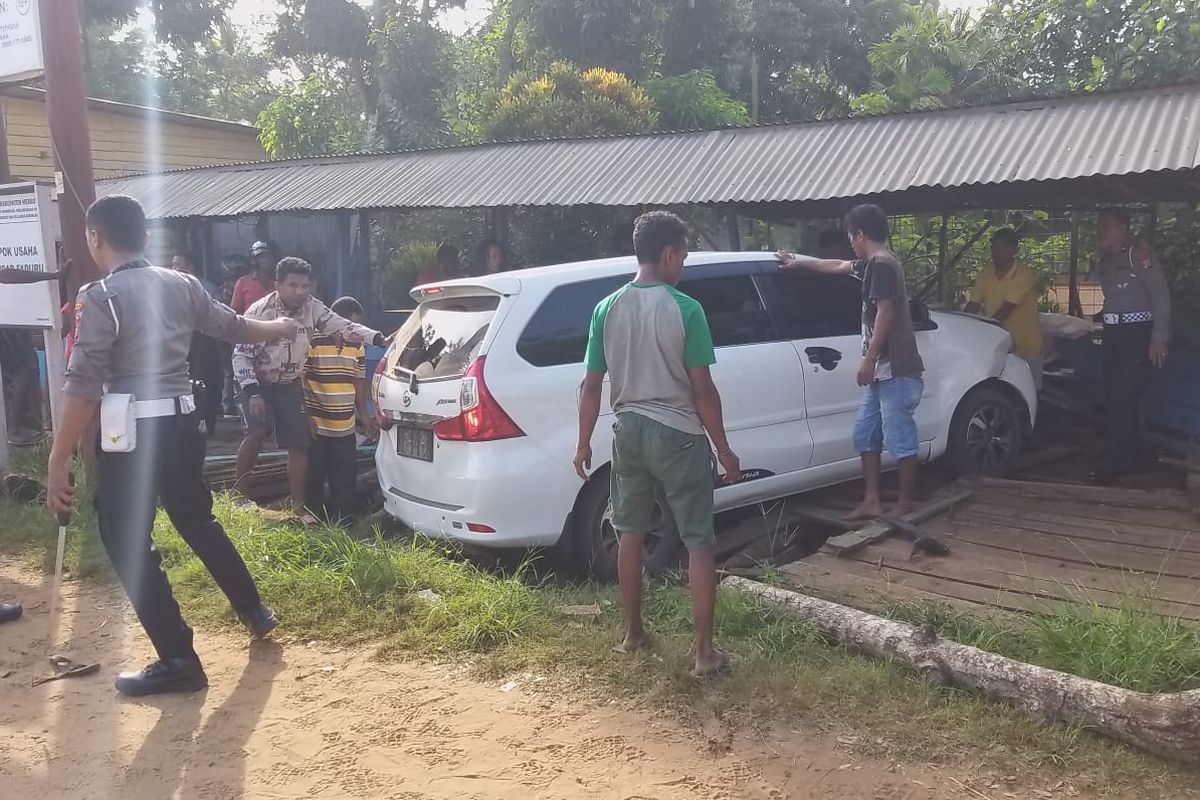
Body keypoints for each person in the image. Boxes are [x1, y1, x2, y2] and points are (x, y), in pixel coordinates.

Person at [46, 195, 301, 696]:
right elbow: (234, 326)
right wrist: (281, 327)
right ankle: (254, 608)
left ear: (96, 238)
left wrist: (59, 460)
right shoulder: (182, 284)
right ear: (144, 237)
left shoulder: (99, 297)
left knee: (126, 541)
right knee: (195, 517)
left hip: (133, 436)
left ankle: (179, 658)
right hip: (185, 426)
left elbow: (82, 384)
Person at [574, 210, 740, 678]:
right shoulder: (686, 309)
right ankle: (704, 654)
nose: (683, 265)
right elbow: (702, 388)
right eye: (683, 256)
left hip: (627, 431)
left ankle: (633, 634)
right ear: (668, 254)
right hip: (678, 435)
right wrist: (723, 449)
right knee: (699, 541)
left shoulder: (606, 308)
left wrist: (583, 442)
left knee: (629, 532)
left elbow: (590, 385)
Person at [777, 203, 925, 519]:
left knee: (900, 436)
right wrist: (800, 262)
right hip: (882, 371)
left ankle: (904, 503)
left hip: (895, 368)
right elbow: (838, 266)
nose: (851, 243)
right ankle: (872, 500)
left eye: (851, 237)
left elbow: (885, 312)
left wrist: (869, 359)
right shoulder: (872, 263)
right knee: (866, 433)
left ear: (859, 234)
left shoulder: (883, 265)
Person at [233, 257, 384, 523]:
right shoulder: (259, 312)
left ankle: (300, 508)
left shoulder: (313, 308)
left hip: (289, 383)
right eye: (293, 285)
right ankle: (239, 496)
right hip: (256, 380)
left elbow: (344, 325)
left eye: (304, 285)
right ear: (278, 285)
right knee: (256, 431)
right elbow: (240, 354)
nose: (300, 291)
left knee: (299, 443)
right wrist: (252, 390)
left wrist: (378, 338)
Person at [1089, 207, 1171, 485]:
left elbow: (1159, 294)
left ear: (1123, 227)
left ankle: (1115, 461)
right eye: (1101, 226)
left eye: (1108, 226)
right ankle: (1132, 451)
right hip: (1113, 333)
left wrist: (1159, 336)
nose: (1103, 231)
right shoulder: (1107, 262)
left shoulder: (1140, 255)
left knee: (1122, 396)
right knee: (1114, 394)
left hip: (1136, 333)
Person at [303, 296, 378, 522]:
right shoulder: (313, 341)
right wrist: (307, 417)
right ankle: (312, 520)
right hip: (318, 423)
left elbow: (358, 381)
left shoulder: (357, 345)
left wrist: (364, 416)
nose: (352, 330)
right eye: (348, 324)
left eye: (355, 326)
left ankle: (343, 524)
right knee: (314, 476)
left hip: (345, 424)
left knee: (344, 478)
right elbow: (301, 379)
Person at [965, 229, 1045, 387]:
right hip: (999, 348)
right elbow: (973, 305)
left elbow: (1005, 310)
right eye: (994, 247)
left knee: (1029, 396)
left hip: (1025, 348)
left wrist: (978, 333)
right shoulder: (986, 273)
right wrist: (961, 325)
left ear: (1015, 250)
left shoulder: (1024, 274)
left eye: (1003, 247)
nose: (997, 251)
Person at [171, 251, 224, 434]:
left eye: (178, 264)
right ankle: (186, 423)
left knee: (207, 381)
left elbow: (218, 316)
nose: (174, 269)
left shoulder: (206, 288)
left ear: (190, 268)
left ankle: (207, 424)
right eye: (173, 265)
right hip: (182, 340)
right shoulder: (169, 289)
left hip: (205, 341)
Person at [219, 256, 250, 416]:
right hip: (233, 333)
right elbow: (231, 311)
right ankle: (230, 407)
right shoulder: (230, 288)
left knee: (231, 371)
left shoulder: (234, 285)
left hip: (234, 332)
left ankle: (231, 407)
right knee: (231, 371)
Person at [231, 240, 280, 314]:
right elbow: (236, 313)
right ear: (254, 260)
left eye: (271, 257)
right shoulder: (243, 283)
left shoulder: (283, 282)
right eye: (263, 257)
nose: (268, 261)